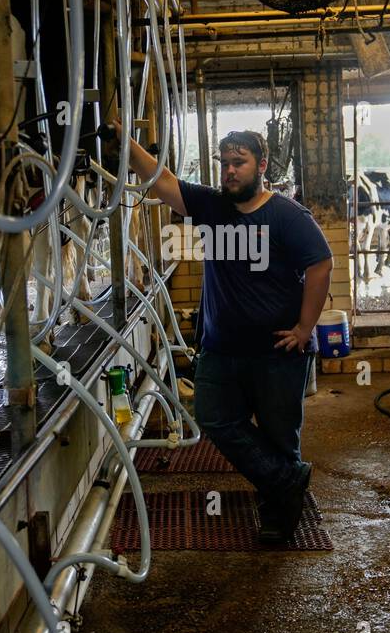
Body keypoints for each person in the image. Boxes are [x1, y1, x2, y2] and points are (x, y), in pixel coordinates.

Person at [118, 126, 333, 543]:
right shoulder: (212, 206)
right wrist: (125, 142)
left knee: (278, 435)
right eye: (225, 164)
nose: (230, 172)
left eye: (239, 163)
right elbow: (161, 181)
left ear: (262, 166)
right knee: (214, 418)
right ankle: (288, 481)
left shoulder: (287, 215)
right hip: (220, 349)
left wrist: (305, 328)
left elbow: (321, 264)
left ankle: (278, 516)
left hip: (276, 351)